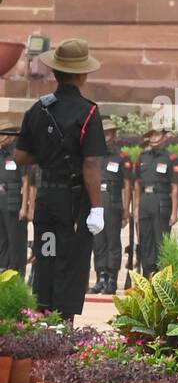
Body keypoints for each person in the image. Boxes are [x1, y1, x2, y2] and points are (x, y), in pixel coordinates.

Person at [13, 39, 106, 320]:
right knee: (70, 260)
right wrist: (97, 207)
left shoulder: (38, 109)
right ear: (82, 74)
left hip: (46, 200)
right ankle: (63, 324)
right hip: (72, 203)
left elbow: (21, 156)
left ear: (55, 71)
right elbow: (90, 163)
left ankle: (43, 316)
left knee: (47, 255)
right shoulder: (89, 112)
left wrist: (48, 156)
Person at [133, 127, 178, 277]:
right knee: (145, 239)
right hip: (145, 201)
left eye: (156, 135)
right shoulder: (142, 157)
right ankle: (147, 274)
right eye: (151, 135)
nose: (153, 138)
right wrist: (136, 207)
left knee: (160, 240)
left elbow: (175, 188)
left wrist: (174, 213)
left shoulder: (171, 159)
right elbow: (137, 185)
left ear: (165, 137)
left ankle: (161, 276)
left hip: (161, 201)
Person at [91, 118, 132, 294]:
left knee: (113, 241)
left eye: (108, 133)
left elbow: (127, 185)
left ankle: (112, 278)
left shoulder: (122, 157)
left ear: (114, 135)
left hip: (113, 201)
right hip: (96, 201)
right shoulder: (93, 155)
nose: (105, 136)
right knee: (98, 241)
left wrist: (126, 210)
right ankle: (101, 277)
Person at [0, 126, 30, 275]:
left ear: (12, 136)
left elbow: (26, 181)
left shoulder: (19, 153)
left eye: (3, 134)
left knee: (16, 241)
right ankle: (3, 270)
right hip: (1, 203)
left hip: (14, 204)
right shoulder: (1, 154)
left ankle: (17, 274)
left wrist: (24, 207)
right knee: (2, 239)